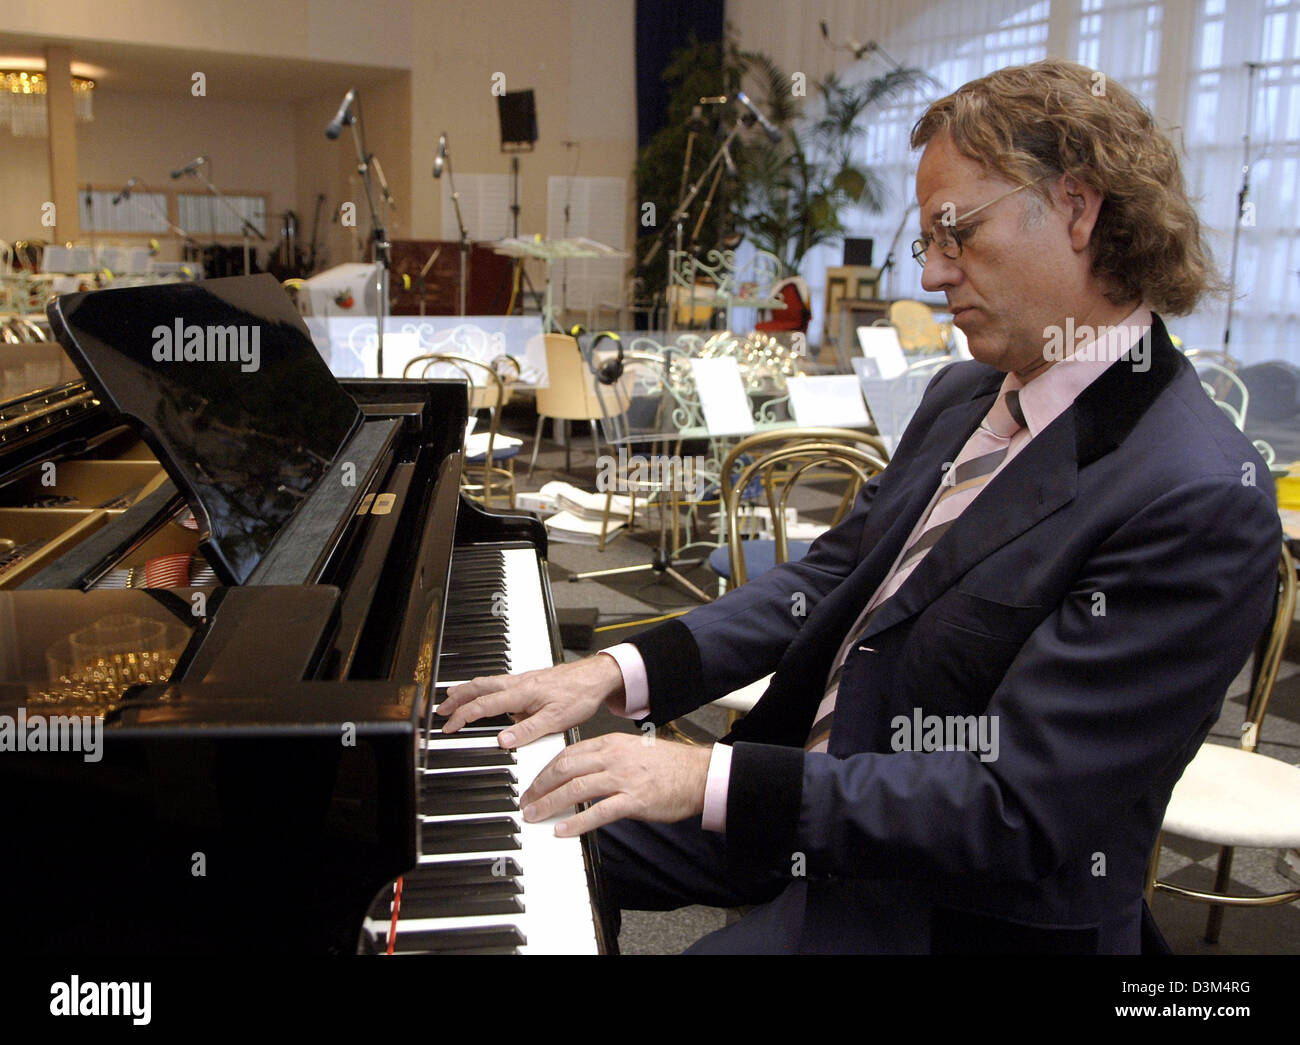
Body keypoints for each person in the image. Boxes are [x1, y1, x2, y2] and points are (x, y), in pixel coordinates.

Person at [438, 59, 1282, 953]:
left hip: (948, 907)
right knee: (504, 824)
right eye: (928, 242)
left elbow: (1016, 809)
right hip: (818, 796)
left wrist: (706, 777)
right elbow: (833, 574)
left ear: (1077, 206)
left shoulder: (1194, 494)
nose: (932, 276)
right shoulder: (966, 393)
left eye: (956, 233)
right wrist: (613, 674)